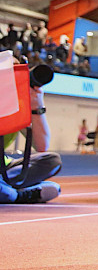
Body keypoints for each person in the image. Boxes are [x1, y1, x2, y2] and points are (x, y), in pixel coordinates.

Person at [1, 70, 62, 204]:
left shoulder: (16, 106)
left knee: (51, 161)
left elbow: (42, 146)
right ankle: (16, 195)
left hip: (5, 167)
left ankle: (5, 188)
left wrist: (37, 107)